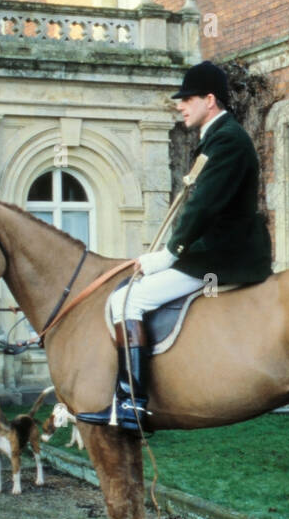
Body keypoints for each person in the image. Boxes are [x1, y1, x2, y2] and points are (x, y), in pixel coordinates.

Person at [78, 61, 273, 431]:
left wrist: (169, 255)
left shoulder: (227, 140)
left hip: (222, 255)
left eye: (187, 99)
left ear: (210, 100)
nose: (180, 105)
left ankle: (131, 403)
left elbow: (204, 206)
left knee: (126, 300)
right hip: (213, 248)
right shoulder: (217, 137)